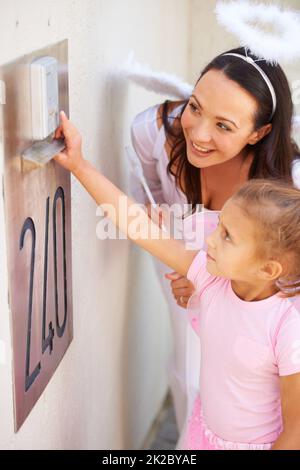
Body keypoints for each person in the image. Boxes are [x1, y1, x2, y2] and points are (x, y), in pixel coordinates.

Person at [53, 111, 300, 449]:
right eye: (220, 226)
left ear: (268, 269)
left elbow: (296, 430)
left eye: (226, 236)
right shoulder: (211, 278)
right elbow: (138, 227)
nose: (210, 240)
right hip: (201, 436)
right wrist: (79, 165)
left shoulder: (288, 328)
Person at [129, 46, 300, 431]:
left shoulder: (289, 185)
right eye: (195, 107)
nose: (199, 133)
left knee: (242, 396)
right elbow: (150, 191)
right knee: (187, 373)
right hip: (182, 271)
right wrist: (180, 251)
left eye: (224, 126)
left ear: (260, 132)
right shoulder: (153, 131)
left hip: (255, 312)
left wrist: (222, 283)